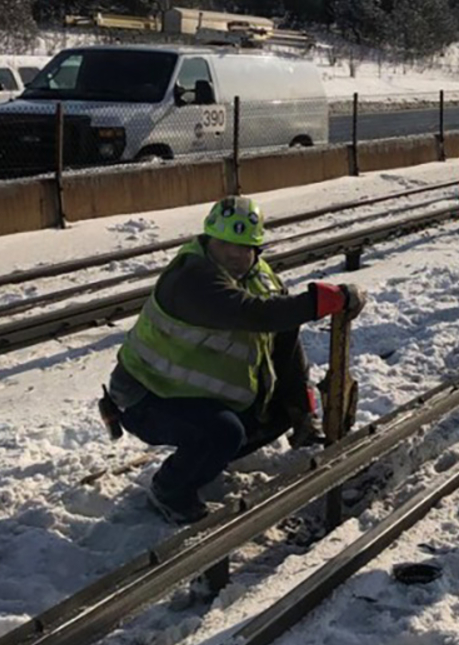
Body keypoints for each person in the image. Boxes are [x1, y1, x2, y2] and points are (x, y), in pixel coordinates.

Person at [98, 196, 367, 524]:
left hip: (185, 391)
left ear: (256, 248)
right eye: (224, 244)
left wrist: (302, 410)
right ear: (208, 239)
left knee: (275, 411)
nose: (234, 254)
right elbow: (253, 314)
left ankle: (208, 455)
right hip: (144, 395)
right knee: (223, 433)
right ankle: (170, 490)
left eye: (243, 247)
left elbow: (285, 342)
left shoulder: (260, 277)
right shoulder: (192, 277)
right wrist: (321, 301)